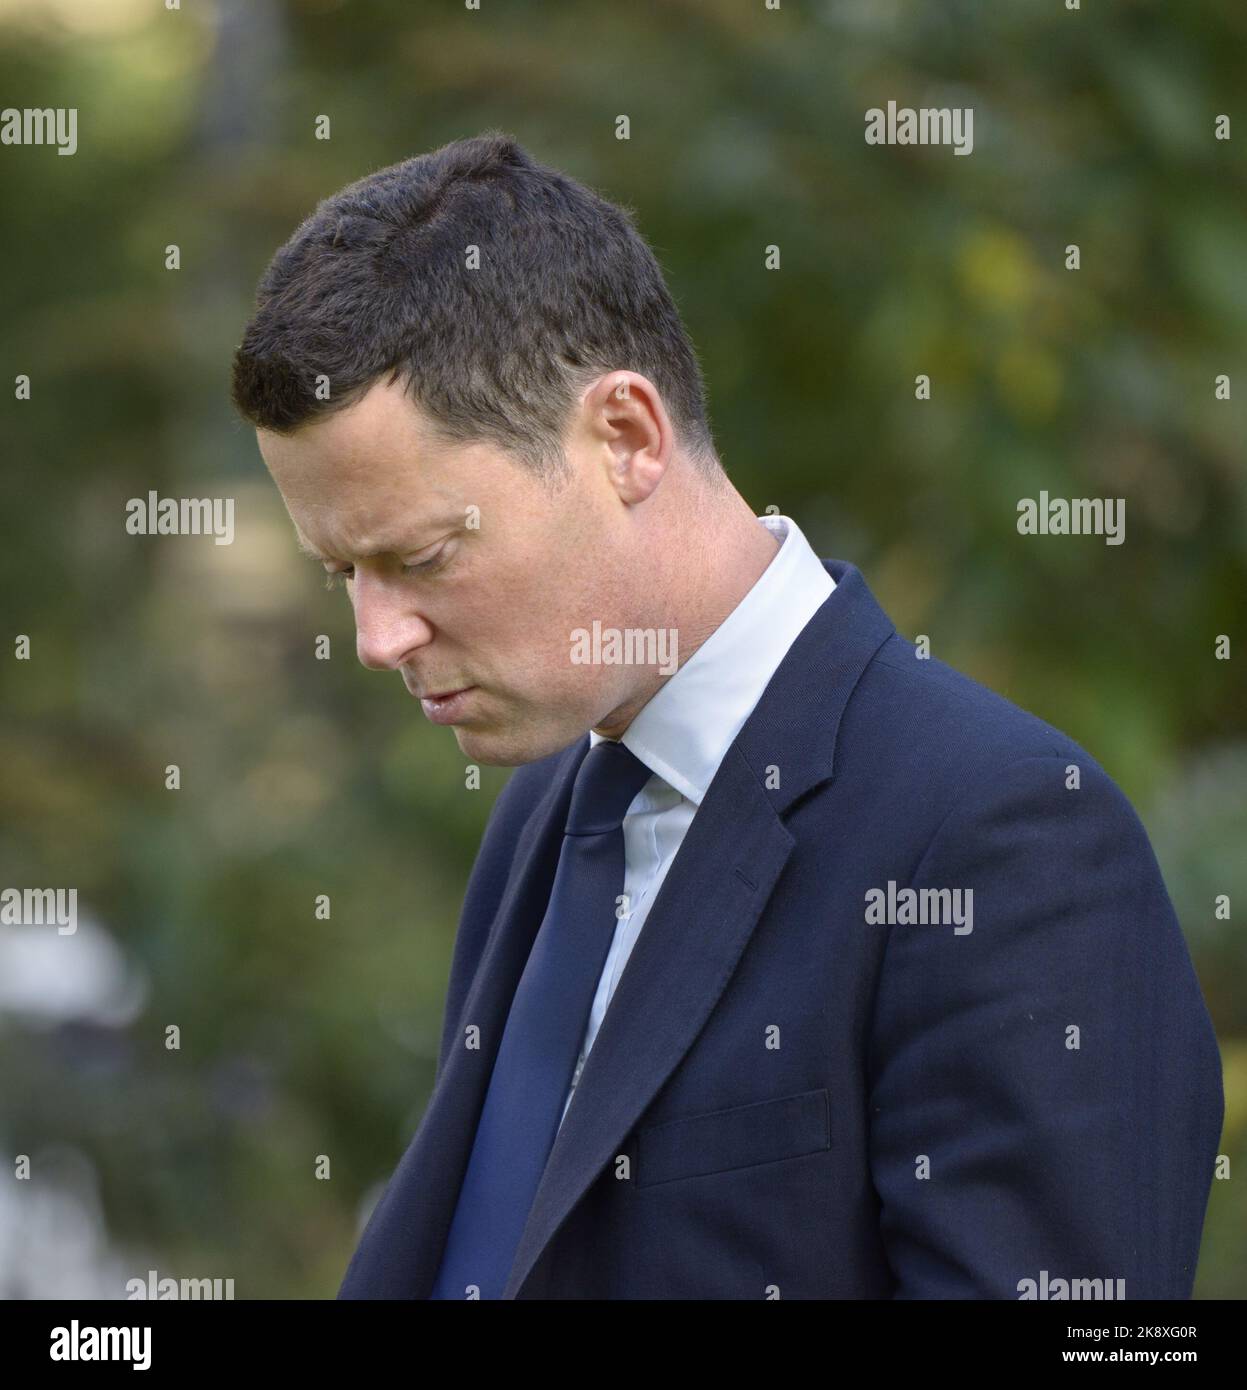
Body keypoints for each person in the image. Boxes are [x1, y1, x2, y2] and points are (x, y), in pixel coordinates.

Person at [230, 131, 1223, 1299]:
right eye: (342, 573)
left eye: (422, 554)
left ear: (626, 439)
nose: (376, 636)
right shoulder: (545, 815)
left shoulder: (1003, 840)